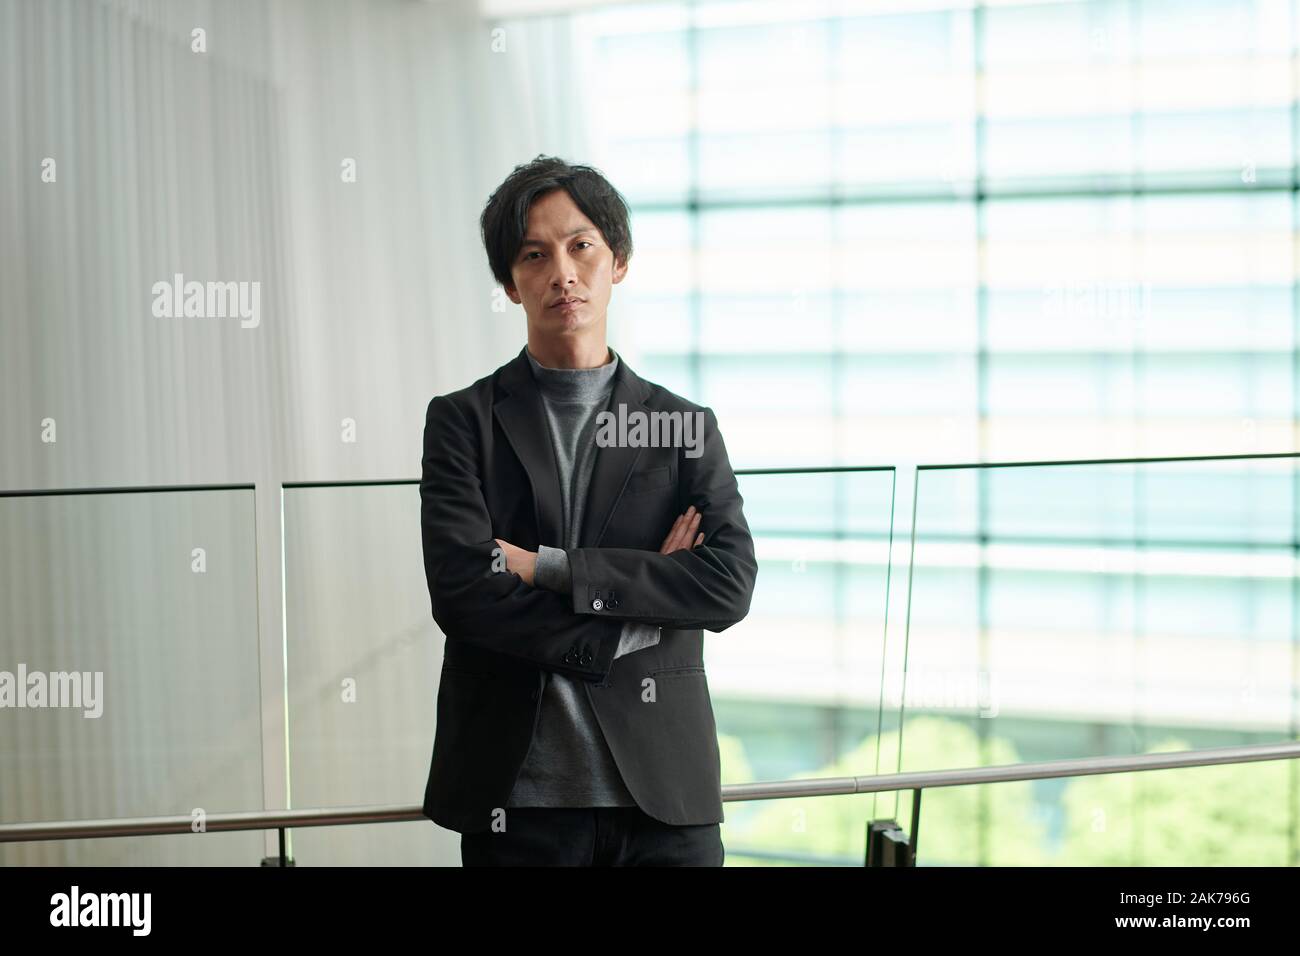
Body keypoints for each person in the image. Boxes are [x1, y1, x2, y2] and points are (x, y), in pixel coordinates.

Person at [419, 155, 758, 865]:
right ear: (510, 285)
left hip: (666, 801)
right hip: (520, 801)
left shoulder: (681, 424)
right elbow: (462, 594)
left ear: (619, 261)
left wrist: (549, 569)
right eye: (533, 255)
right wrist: (639, 604)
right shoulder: (463, 422)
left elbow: (727, 585)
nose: (562, 274)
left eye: (582, 247)